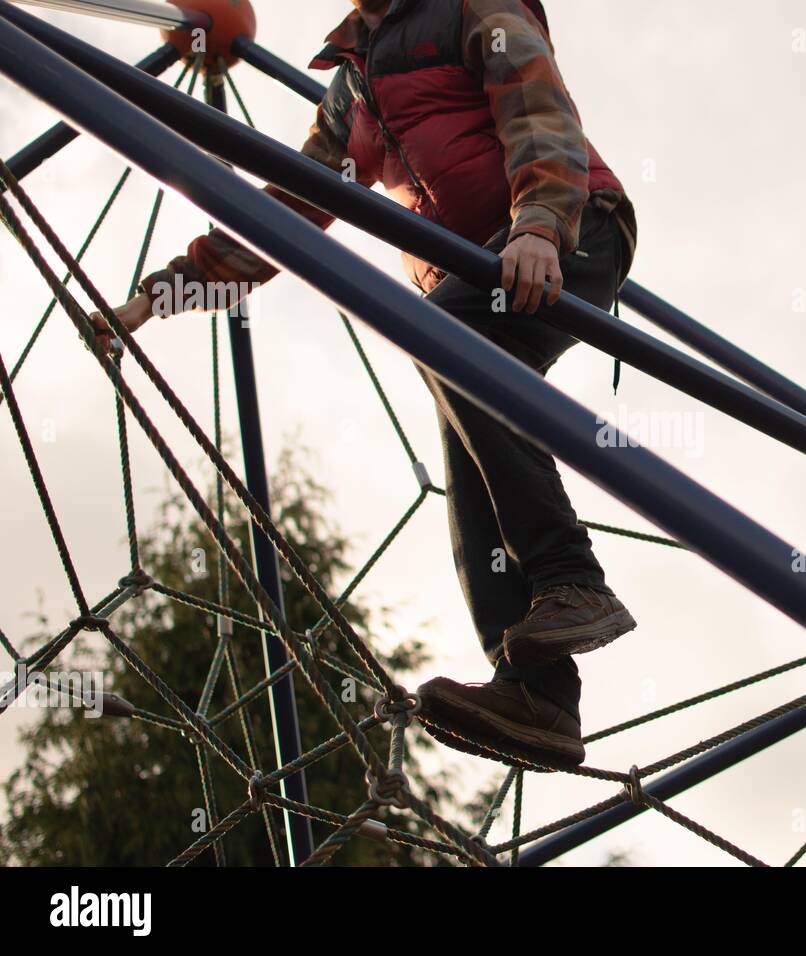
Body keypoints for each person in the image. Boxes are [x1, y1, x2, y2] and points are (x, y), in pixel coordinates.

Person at [90, 0, 638, 767]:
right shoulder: (352, 85)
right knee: (468, 448)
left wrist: (542, 223)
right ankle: (537, 692)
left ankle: (571, 576)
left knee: (444, 337)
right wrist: (156, 296)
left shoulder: (471, 7)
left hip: (571, 231)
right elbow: (286, 211)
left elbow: (535, 104)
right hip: (474, 279)